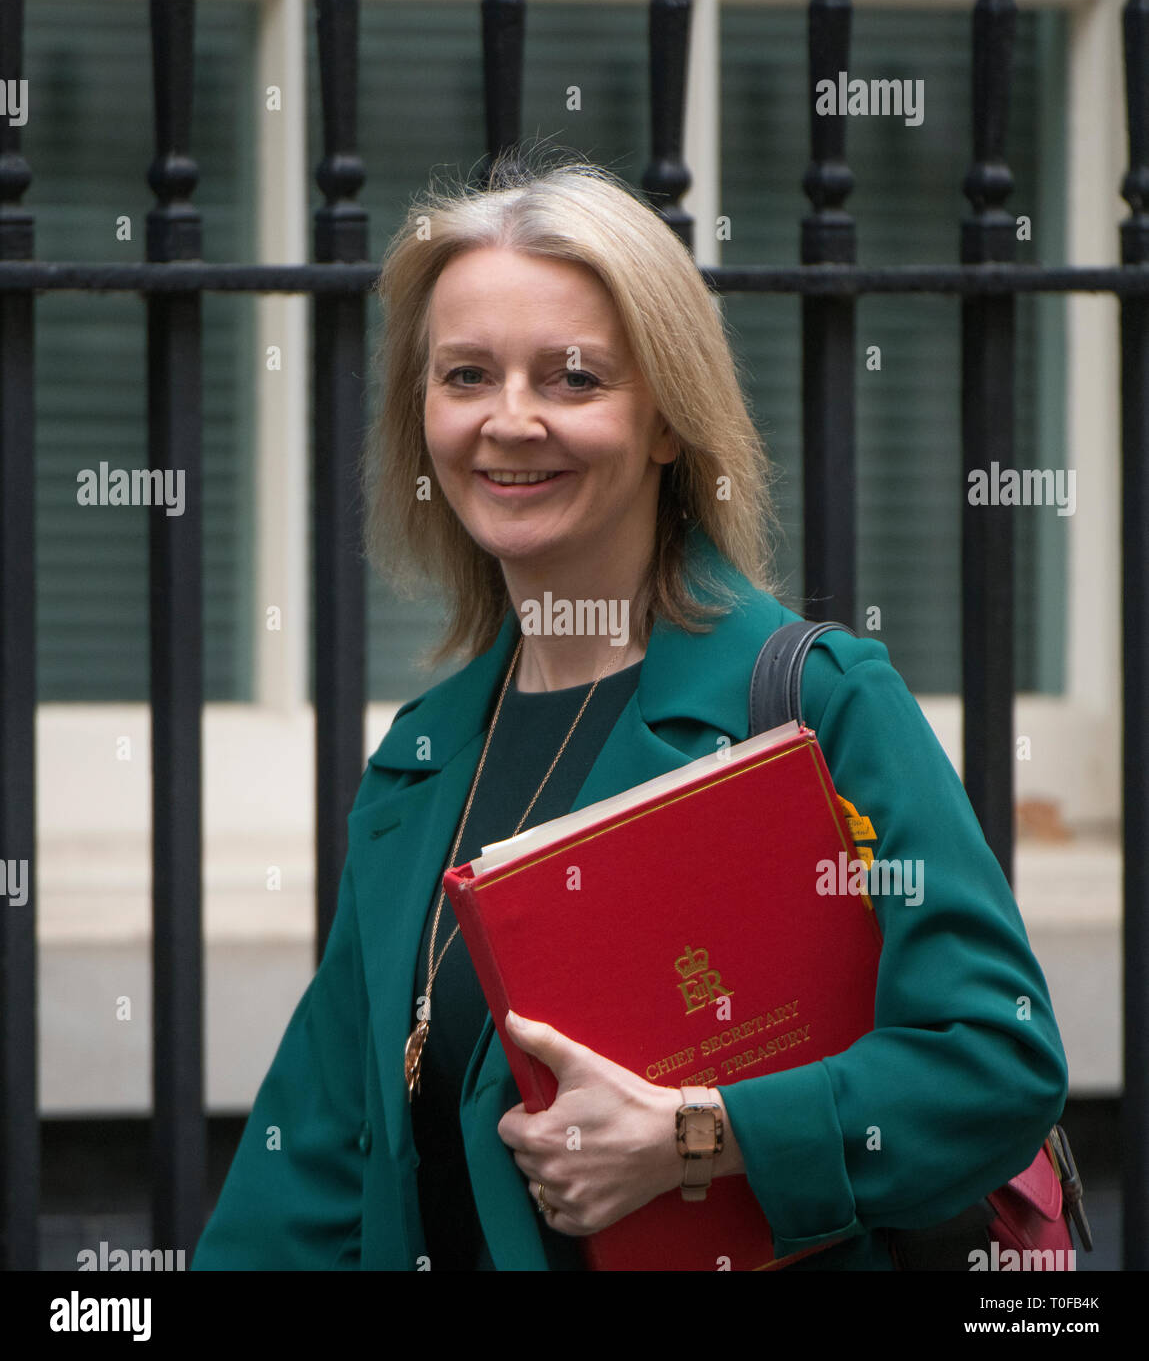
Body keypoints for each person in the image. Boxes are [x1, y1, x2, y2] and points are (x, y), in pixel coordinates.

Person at [191, 156, 1068, 1271]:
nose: (509, 420)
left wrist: (699, 1136)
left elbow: (997, 1062)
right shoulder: (421, 755)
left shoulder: (816, 701)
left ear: (666, 421)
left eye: (571, 379)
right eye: (466, 375)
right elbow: (315, 1158)